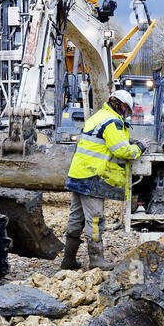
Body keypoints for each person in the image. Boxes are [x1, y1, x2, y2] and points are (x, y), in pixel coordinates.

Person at [62, 89, 146, 270]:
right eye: (127, 111)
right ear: (122, 106)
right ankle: (96, 260)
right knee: (95, 219)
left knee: (76, 218)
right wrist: (139, 147)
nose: (127, 115)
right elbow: (123, 151)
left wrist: (127, 140)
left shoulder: (98, 116)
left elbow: (103, 141)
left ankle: (68, 260)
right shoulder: (112, 122)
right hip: (92, 176)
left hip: (78, 173)